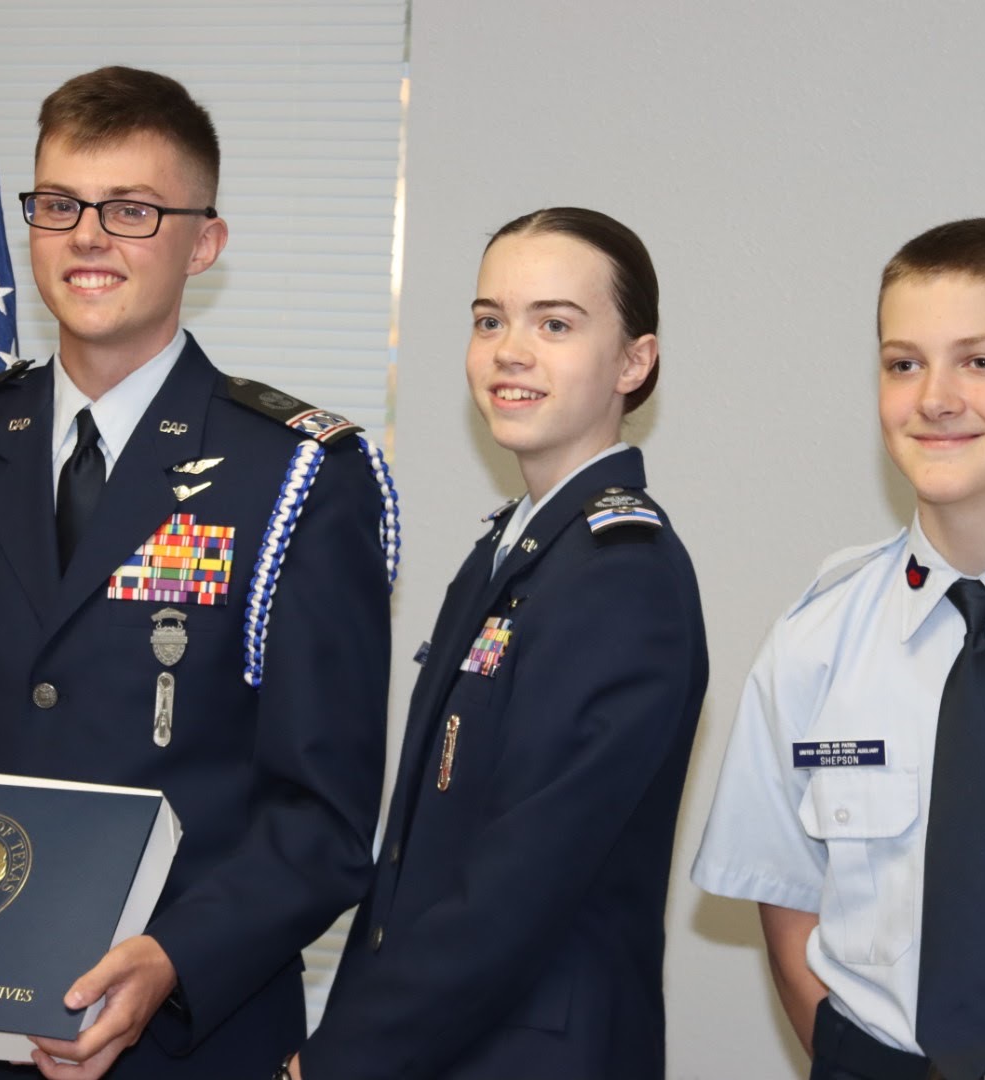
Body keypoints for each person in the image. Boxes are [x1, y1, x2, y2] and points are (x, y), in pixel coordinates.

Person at [0, 66, 397, 1080]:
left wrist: (174, 961)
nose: (88, 236)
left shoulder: (297, 475)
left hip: (184, 1040)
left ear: (205, 242)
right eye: (60, 205)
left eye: (132, 210)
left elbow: (320, 819)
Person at [278, 207, 708, 1080]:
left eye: (554, 323)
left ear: (634, 362)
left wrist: (337, 1063)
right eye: (489, 320)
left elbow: (517, 886)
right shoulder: (515, 549)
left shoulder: (622, 575)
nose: (510, 349)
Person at [693, 217, 985, 1079]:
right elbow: (787, 896)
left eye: (981, 361)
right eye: (904, 363)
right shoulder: (816, 638)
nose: (934, 397)